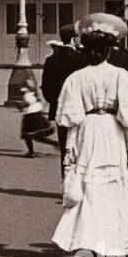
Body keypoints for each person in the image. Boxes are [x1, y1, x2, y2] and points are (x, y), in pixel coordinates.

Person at [51, 14, 128, 257]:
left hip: (88, 129)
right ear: (108, 51)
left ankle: (88, 243)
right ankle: (110, 243)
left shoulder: (76, 78)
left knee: (89, 185)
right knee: (110, 186)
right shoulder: (120, 75)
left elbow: (69, 116)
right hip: (111, 131)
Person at [41, 26, 84, 179]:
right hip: (80, 110)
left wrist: (56, 102)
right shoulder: (81, 59)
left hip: (60, 110)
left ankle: (66, 181)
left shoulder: (51, 60)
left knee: (65, 148)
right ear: (73, 39)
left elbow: (46, 88)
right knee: (81, 148)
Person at [18, 76, 51, 157]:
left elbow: (25, 102)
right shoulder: (34, 95)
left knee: (28, 136)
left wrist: (21, 106)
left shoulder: (27, 95)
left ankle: (31, 152)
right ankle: (56, 144)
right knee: (38, 136)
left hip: (30, 117)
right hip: (38, 115)